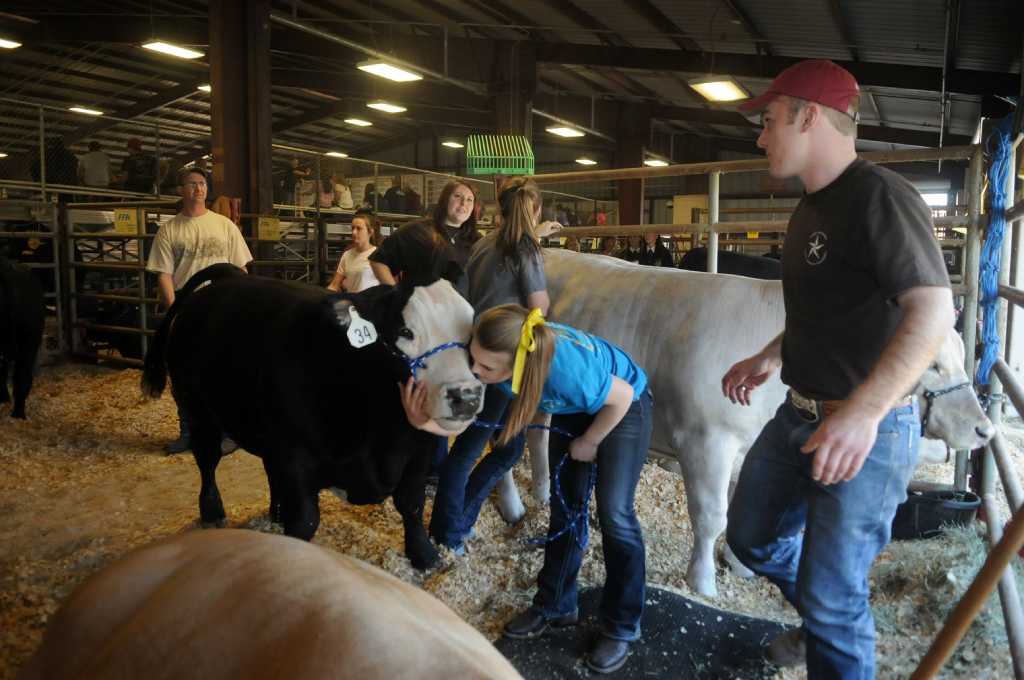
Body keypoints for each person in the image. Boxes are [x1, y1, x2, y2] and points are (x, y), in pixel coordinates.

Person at [720, 59, 953, 679]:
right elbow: (827, 308)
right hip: (799, 413)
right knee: (748, 538)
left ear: (809, 115)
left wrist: (865, 411)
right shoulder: (812, 208)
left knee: (836, 595)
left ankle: (829, 619)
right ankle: (823, 616)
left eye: (769, 120)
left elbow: (933, 312)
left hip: (865, 433)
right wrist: (769, 355)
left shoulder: (879, 196)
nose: (761, 135)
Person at [400, 305, 652, 674]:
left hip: (625, 406)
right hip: (580, 405)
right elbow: (468, 424)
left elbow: (623, 395)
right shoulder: (499, 369)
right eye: (474, 360)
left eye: (485, 367)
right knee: (567, 508)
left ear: (519, 358)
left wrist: (592, 441)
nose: (475, 371)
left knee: (615, 514)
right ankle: (556, 605)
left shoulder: (564, 371)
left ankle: (622, 626)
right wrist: (421, 423)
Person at [429, 177, 557, 553]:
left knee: (480, 446)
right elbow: (539, 306)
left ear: (500, 209)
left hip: (474, 351)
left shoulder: (483, 245)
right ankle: (451, 531)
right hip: (505, 359)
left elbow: (463, 299)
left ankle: (454, 523)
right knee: (490, 449)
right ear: (536, 210)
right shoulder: (526, 249)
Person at [370, 180, 482, 480]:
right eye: (458, 197)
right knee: (420, 386)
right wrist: (395, 295)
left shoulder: (476, 241)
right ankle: (418, 461)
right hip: (423, 328)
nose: (463, 204)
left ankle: (435, 464)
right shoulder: (417, 231)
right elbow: (379, 260)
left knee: (450, 387)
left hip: (458, 327)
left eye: (470, 200)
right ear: (445, 199)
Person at [146, 167, 254, 454]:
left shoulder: (224, 225)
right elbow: (164, 274)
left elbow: (241, 268)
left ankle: (228, 432)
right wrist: (174, 311)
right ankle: (188, 432)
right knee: (183, 371)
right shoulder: (169, 229)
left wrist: (241, 306)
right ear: (181, 189)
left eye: (202, 183)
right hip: (188, 305)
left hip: (222, 304)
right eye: (192, 184)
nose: (198, 188)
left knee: (224, 370)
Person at [326, 209, 380, 293]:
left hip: (371, 303)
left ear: (370, 232)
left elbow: (388, 286)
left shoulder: (379, 254)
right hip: (353, 302)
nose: (354, 232)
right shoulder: (347, 254)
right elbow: (334, 285)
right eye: (353, 228)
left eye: (359, 229)